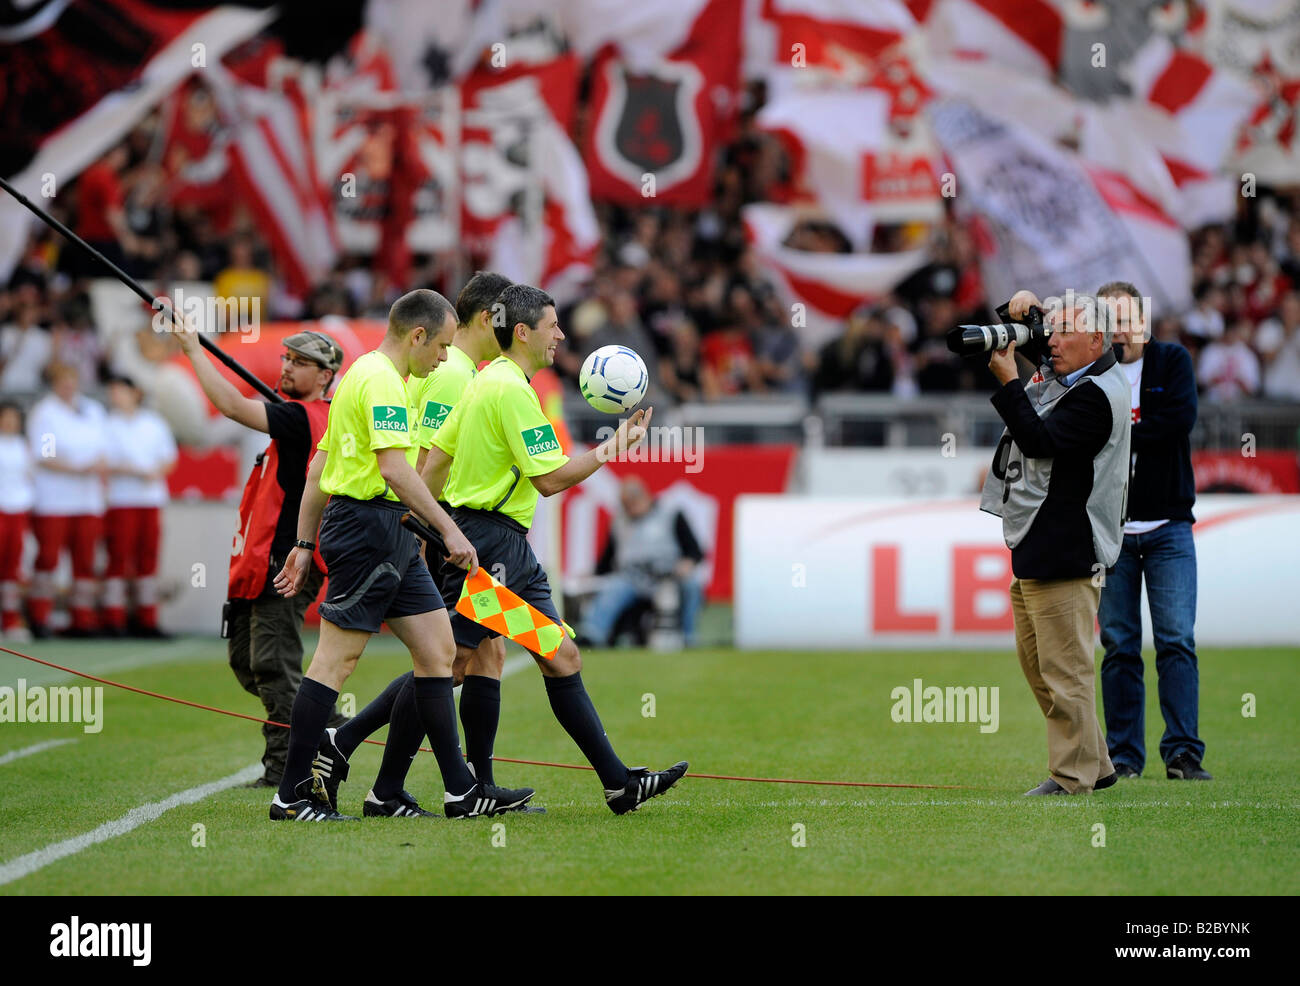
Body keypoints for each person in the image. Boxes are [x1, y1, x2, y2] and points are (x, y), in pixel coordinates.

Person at [419, 284, 689, 815]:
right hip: (490, 543)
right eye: (553, 325)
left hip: (502, 546)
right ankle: (356, 747)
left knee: (559, 655)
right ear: (522, 332)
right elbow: (550, 480)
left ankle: (618, 784)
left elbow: (434, 464)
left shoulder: (486, 382)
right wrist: (615, 446)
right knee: (449, 664)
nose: (561, 335)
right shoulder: (511, 391)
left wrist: (432, 522)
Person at [271, 288, 533, 821]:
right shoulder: (385, 384)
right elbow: (394, 469)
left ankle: (459, 790)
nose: (442, 357)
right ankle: (291, 793)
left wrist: (303, 543)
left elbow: (319, 469)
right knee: (335, 660)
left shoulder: (360, 375)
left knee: (438, 651)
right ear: (417, 336)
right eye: (438, 346)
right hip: (368, 528)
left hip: (388, 529)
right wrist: (448, 531)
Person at [175, 320, 347, 788]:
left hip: (285, 560)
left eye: (301, 363)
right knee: (249, 661)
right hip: (267, 559)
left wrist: (193, 350)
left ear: (326, 375)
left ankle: (284, 766)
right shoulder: (308, 417)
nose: (288, 367)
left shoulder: (299, 418)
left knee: (272, 663)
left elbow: (230, 405)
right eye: (287, 359)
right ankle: (330, 725)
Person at [981, 290, 1129, 796]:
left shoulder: (1095, 395)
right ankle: (1100, 765)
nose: (1052, 341)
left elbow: (1039, 443)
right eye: (1053, 329)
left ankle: (1071, 779)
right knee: (1042, 668)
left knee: (1065, 674)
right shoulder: (1079, 375)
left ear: (1096, 340)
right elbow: (1044, 346)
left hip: (1068, 549)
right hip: (1041, 544)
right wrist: (1015, 312)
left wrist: (1008, 383)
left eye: (1064, 333)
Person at [1095, 282, 1210, 781]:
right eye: (1108, 319)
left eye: (1124, 318)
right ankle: (1124, 757)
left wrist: (1117, 434)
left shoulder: (1172, 362)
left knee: (1175, 641)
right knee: (1119, 646)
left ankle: (1183, 753)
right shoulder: (1094, 373)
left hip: (1168, 527)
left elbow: (1179, 422)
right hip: (1111, 531)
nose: (1118, 328)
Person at [25, 362, 106, 637]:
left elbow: (103, 448)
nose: (68, 386)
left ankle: (82, 618)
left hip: (87, 498)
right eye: (63, 381)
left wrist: (96, 468)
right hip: (55, 498)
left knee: (84, 560)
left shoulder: (92, 410)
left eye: (72, 380)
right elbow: (44, 455)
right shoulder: (45, 413)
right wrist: (77, 469)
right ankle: (39, 615)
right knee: (48, 558)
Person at [580, 476, 705, 647]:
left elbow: (694, 550)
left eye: (633, 502)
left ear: (645, 496)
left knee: (692, 586)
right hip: (632, 578)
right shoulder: (619, 521)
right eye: (626, 504)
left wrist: (687, 564)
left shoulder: (670, 513)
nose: (630, 508)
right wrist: (592, 574)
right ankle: (592, 635)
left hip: (668, 576)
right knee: (611, 588)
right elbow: (607, 559)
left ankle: (688, 638)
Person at [100, 374, 177, 637]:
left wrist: (155, 473)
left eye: (121, 391)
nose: (116, 396)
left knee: (148, 558)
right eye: (113, 391)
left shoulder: (153, 423)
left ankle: (147, 617)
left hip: (150, 499)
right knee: (119, 556)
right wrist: (133, 471)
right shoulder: (107, 424)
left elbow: (169, 458)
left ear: (135, 393)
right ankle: (113, 618)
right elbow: (103, 461)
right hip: (121, 500)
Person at [0, 401, 34, 639]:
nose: (10, 422)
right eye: (6, 417)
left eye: (14, 418)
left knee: (13, 568)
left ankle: (11, 619)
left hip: (19, 511)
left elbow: (36, 472)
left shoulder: (26, 447)